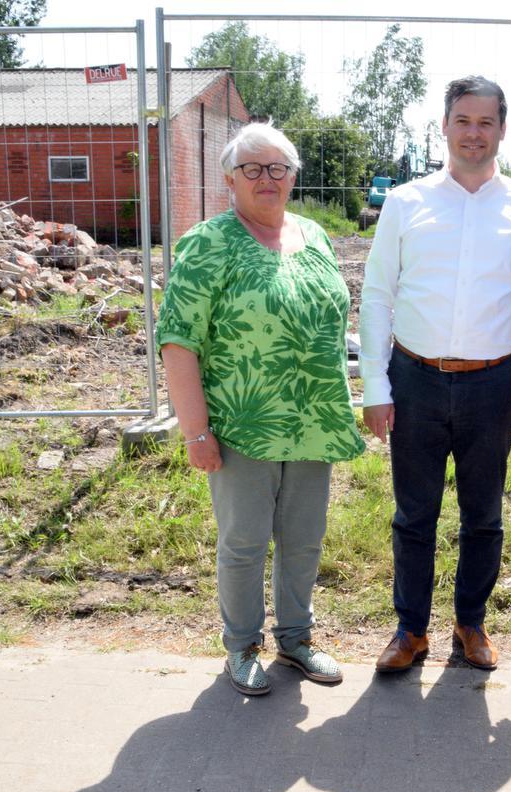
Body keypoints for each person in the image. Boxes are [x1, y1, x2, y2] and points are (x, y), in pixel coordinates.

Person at [360, 75, 511, 673]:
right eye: (463, 121)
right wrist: (375, 387)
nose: (474, 134)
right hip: (414, 379)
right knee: (413, 514)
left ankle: (470, 624)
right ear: (444, 126)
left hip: (492, 384)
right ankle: (410, 630)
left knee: (484, 514)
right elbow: (377, 297)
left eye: (486, 123)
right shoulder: (405, 203)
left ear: (503, 129)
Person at [156, 123, 364, 696]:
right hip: (241, 423)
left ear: (293, 175)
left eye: (278, 167)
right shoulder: (208, 243)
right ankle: (242, 645)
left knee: (303, 539)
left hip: (313, 420)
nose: (266, 178)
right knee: (245, 542)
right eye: (252, 168)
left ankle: (296, 638)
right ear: (229, 179)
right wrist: (196, 431)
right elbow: (178, 341)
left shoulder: (315, 236)